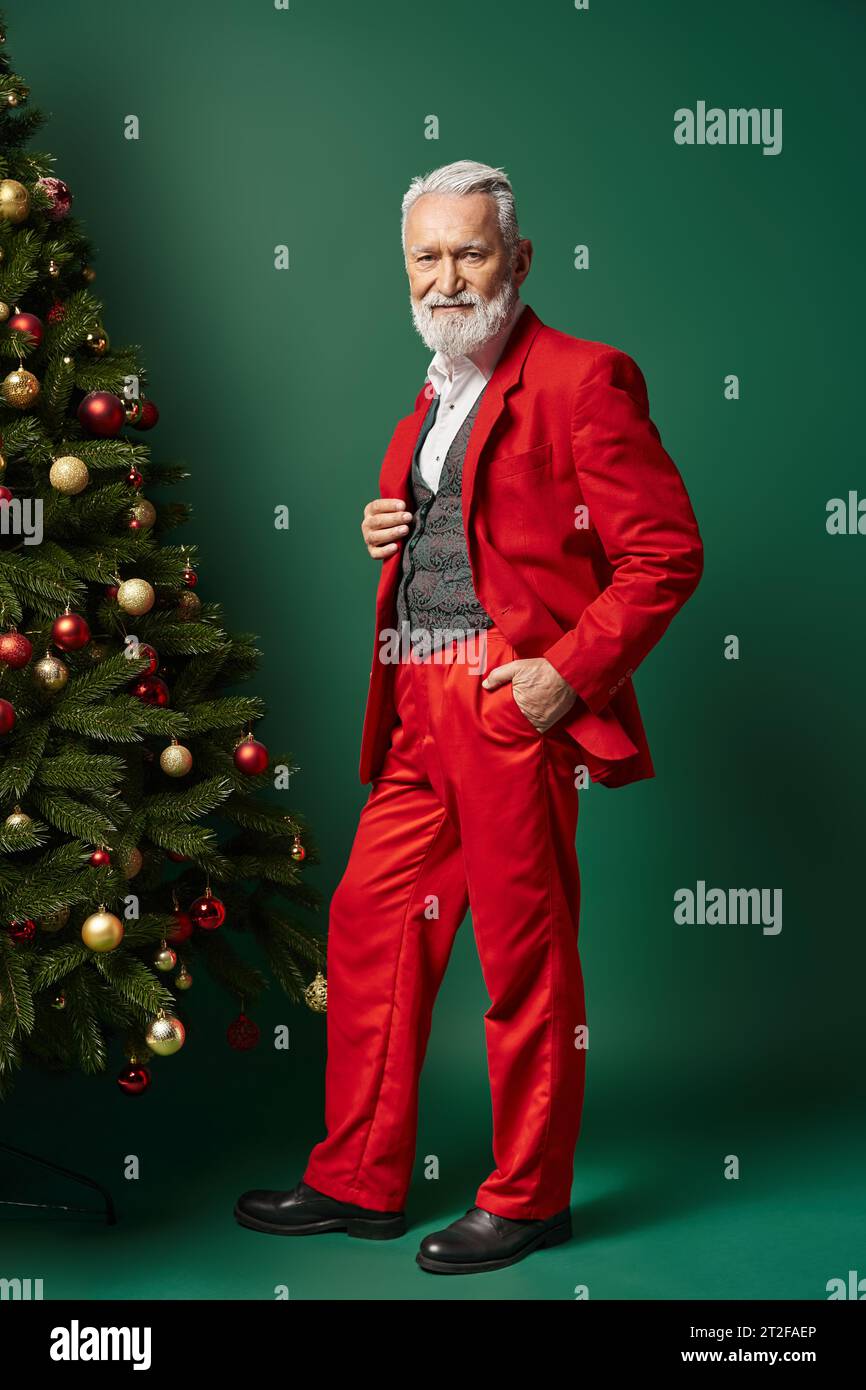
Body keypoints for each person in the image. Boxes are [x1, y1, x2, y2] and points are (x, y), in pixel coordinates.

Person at [235, 159, 703, 1275]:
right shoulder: (425, 405)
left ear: (518, 259)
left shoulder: (586, 379)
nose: (448, 277)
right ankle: (357, 1178)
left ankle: (529, 1196)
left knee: (522, 956)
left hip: (507, 700)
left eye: (470, 253)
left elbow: (663, 552)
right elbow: (467, 534)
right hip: (412, 701)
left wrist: (564, 674)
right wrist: (391, 539)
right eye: (427, 257)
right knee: (369, 922)